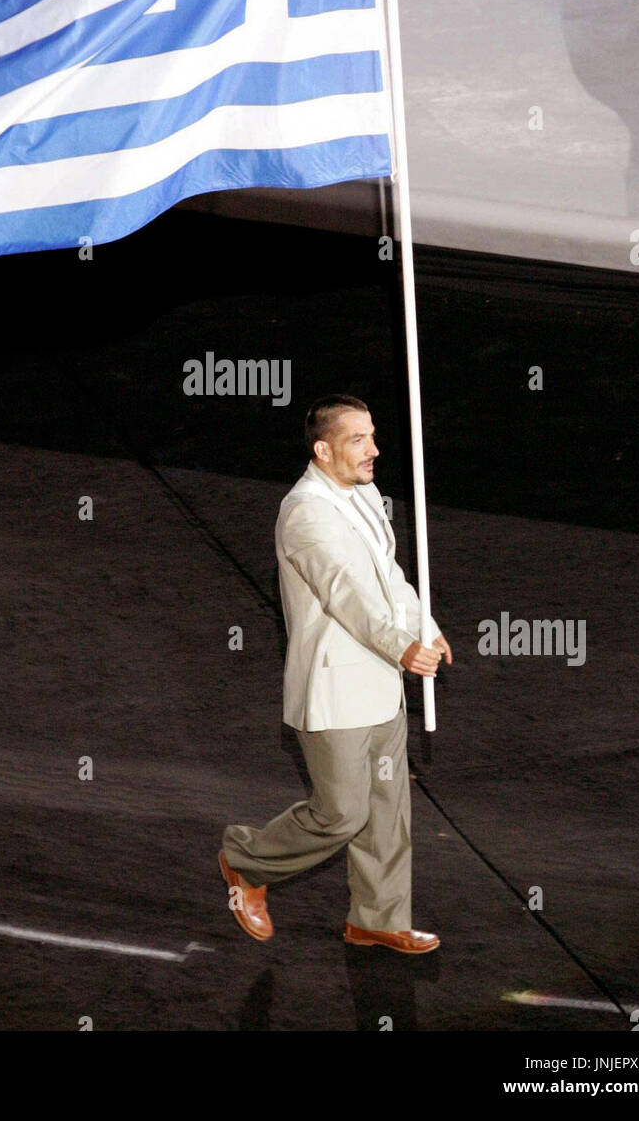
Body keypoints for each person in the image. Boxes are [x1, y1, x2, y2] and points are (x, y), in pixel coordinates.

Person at [220, 394, 452, 951]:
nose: (374, 450)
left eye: (373, 436)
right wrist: (401, 647)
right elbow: (345, 592)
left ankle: (376, 917)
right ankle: (245, 861)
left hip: (381, 686)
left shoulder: (365, 493)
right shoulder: (305, 512)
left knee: (386, 812)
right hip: (335, 692)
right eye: (358, 440)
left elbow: (388, 576)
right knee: (342, 813)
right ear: (323, 450)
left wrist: (425, 624)